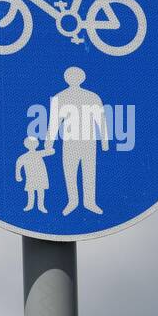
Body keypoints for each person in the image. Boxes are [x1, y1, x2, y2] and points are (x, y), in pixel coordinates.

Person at [44, 66, 109, 215]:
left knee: (89, 171)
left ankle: (90, 202)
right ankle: (72, 201)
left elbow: (101, 120)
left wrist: (105, 142)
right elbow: (54, 123)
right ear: (67, 78)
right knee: (70, 172)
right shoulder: (60, 97)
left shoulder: (92, 97)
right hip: (70, 142)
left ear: (82, 78)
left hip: (88, 141)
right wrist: (48, 143)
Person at [15, 136, 50, 212]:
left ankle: (41, 206)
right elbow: (18, 166)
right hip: (31, 177)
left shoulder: (39, 153)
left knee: (40, 191)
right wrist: (18, 175)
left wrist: (49, 145)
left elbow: (50, 151)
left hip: (41, 176)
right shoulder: (24, 157)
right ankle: (30, 205)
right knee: (31, 191)